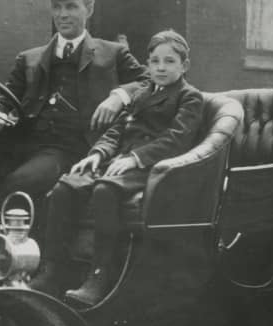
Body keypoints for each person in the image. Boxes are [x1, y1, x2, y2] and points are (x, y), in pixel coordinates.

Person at [29, 29, 204, 306]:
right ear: (147, 65)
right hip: (119, 161)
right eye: (155, 61)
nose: (160, 67)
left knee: (105, 191)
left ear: (185, 66)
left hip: (154, 168)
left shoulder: (189, 97)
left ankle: (100, 275)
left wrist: (135, 158)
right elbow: (118, 129)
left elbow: (176, 140)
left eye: (169, 61)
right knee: (66, 186)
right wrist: (98, 154)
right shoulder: (142, 92)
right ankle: (52, 270)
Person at [0, 0, 149, 207]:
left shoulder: (113, 53)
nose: (62, 14)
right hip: (20, 142)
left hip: (68, 148)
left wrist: (118, 96)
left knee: (22, 182)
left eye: (71, 7)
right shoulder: (29, 58)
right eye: (57, 7)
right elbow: (4, 100)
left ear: (89, 9)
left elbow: (148, 81)